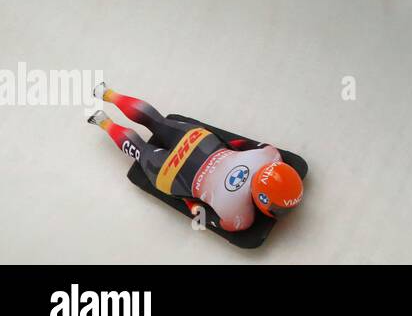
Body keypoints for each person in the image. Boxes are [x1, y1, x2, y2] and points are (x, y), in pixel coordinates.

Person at [88, 83, 303, 232]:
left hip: (201, 143)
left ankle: (107, 93)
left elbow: (242, 143)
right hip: (177, 176)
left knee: (158, 121)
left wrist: (228, 148)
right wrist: (188, 200)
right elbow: (203, 216)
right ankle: (103, 121)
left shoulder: (270, 155)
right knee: (142, 151)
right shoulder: (240, 217)